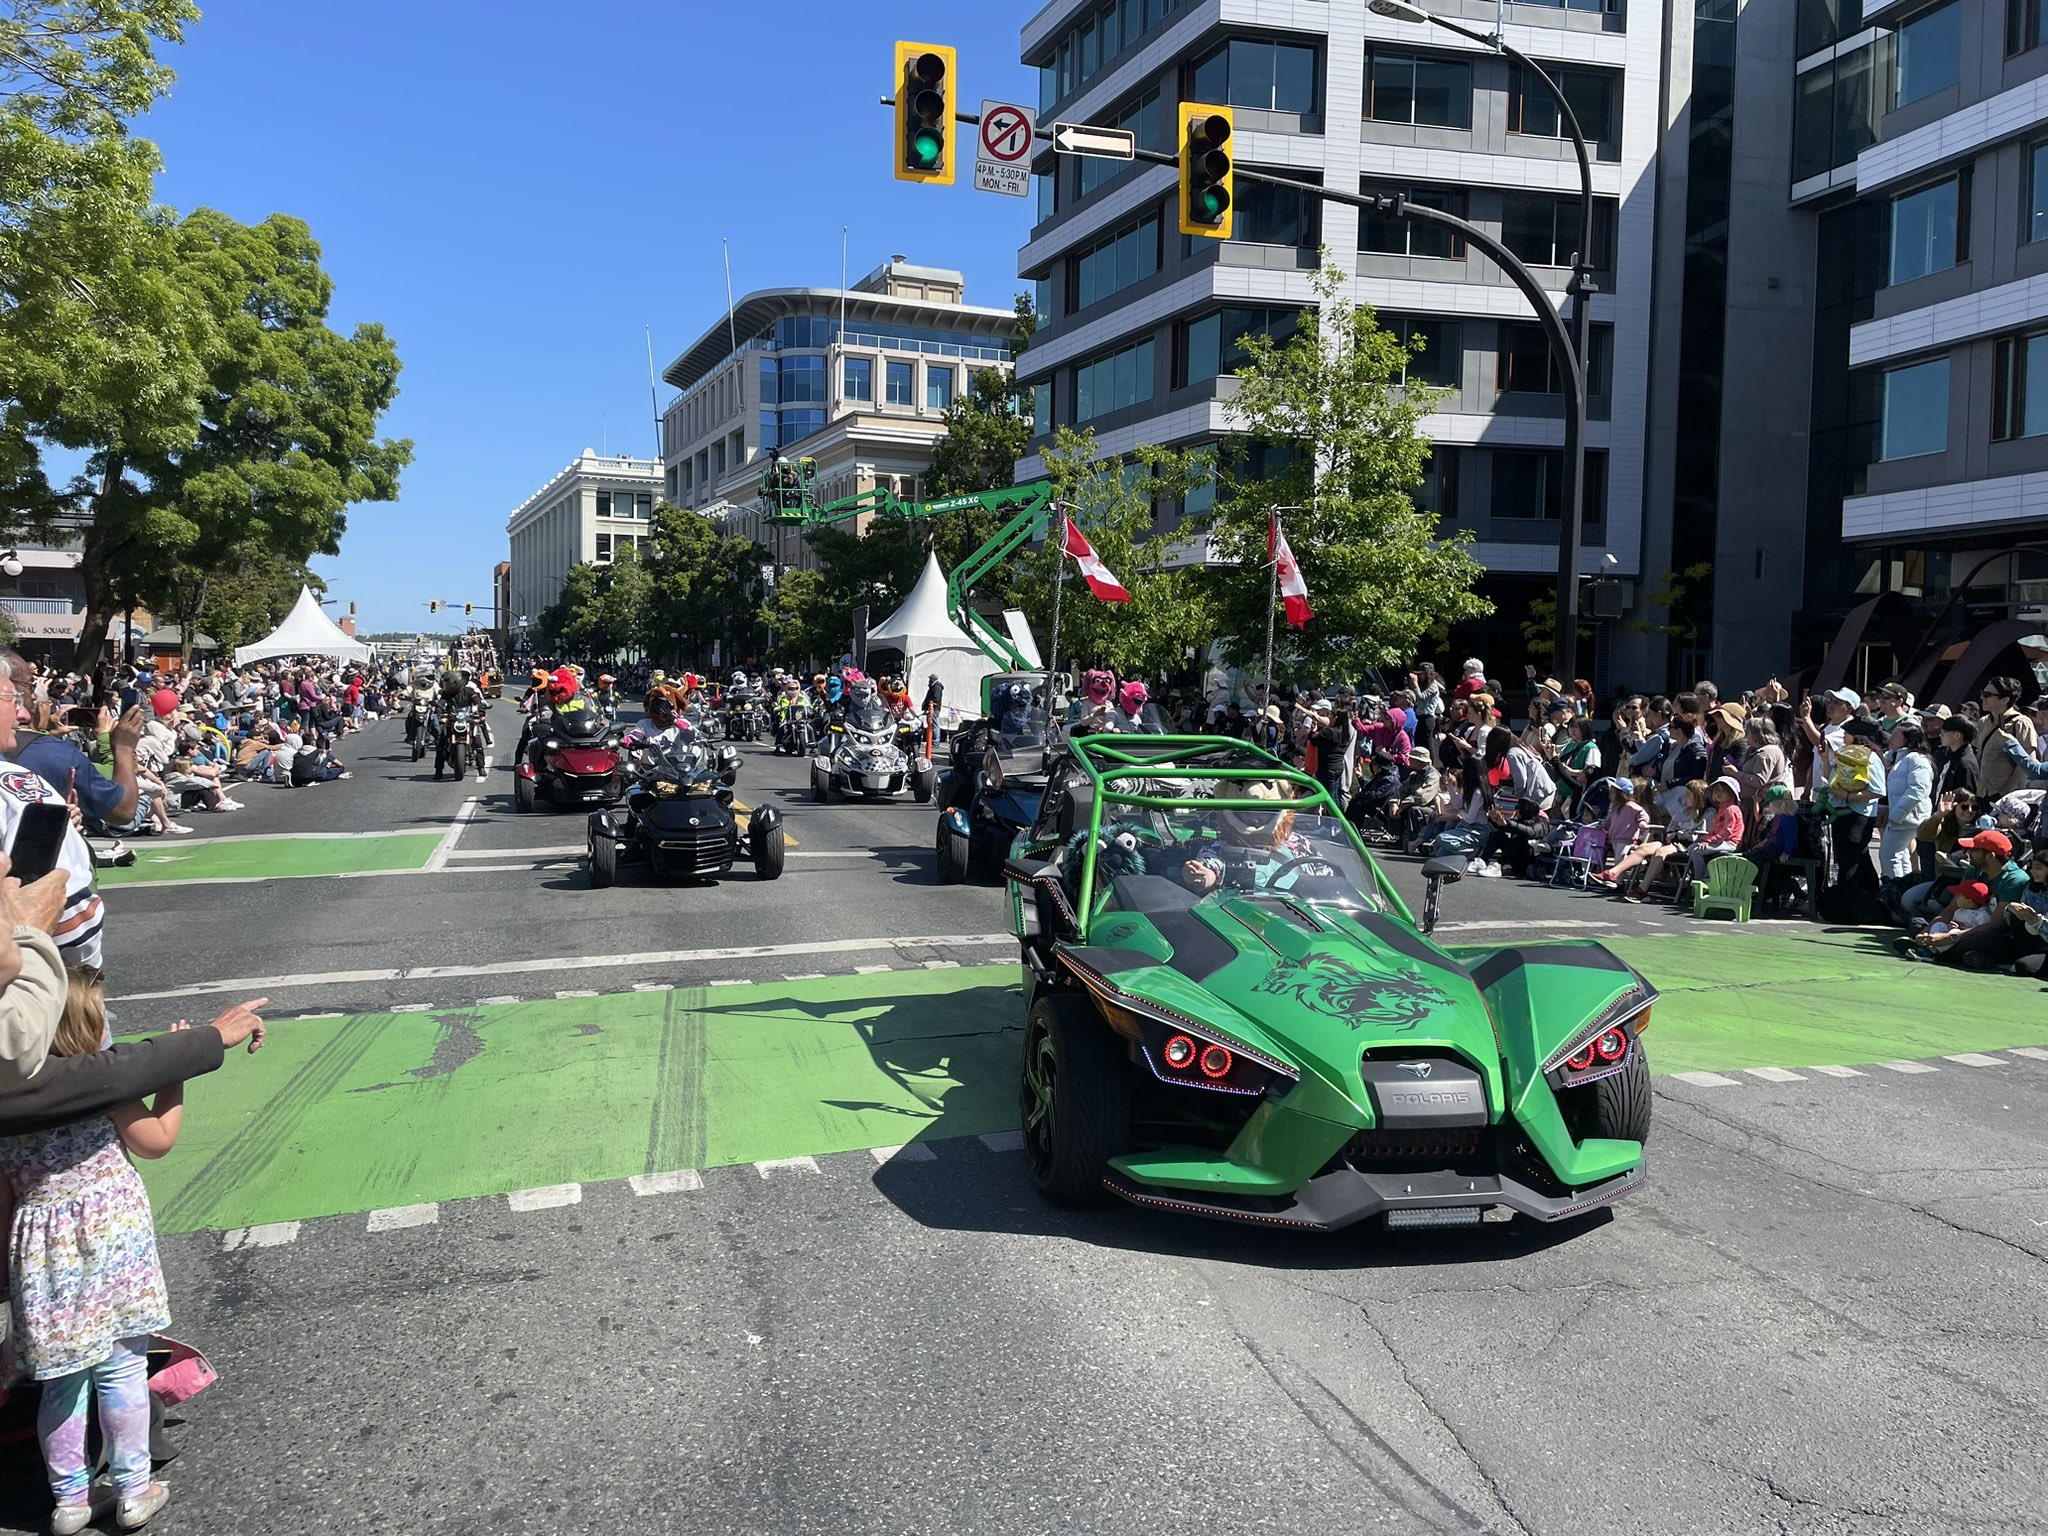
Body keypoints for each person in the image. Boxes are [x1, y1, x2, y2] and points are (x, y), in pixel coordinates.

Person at [0, 972, 268, 1534]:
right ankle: (132, 1488)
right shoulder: (105, 1091)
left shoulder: (13, 1108)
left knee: (62, 1379)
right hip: (111, 1245)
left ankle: (70, 1501)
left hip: (41, 1256)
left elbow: (5, 1200)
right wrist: (173, 1081)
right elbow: (157, 1141)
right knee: (121, 1367)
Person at [1972, 676, 2037, 805]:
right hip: (1982, 793)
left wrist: (2004, 793)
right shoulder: (1983, 722)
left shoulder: (2021, 723)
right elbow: (1978, 755)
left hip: (2008, 797)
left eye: (1987, 695)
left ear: (2005, 699)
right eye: (1982, 693)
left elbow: (2028, 764)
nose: (1982, 698)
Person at [1688, 775, 1747, 883]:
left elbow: (1727, 832)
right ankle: (1706, 873)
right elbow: (1716, 830)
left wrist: (1710, 841)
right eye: (1717, 790)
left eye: (1723, 790)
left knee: (1697, 851)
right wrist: (1705, 839)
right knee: (1692, 847)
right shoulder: (1722, 808)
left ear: (1731, 793)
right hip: (1721, 840)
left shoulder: (1731, 809)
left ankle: (1700, 879)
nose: (1719, 793)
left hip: (1731, 843)